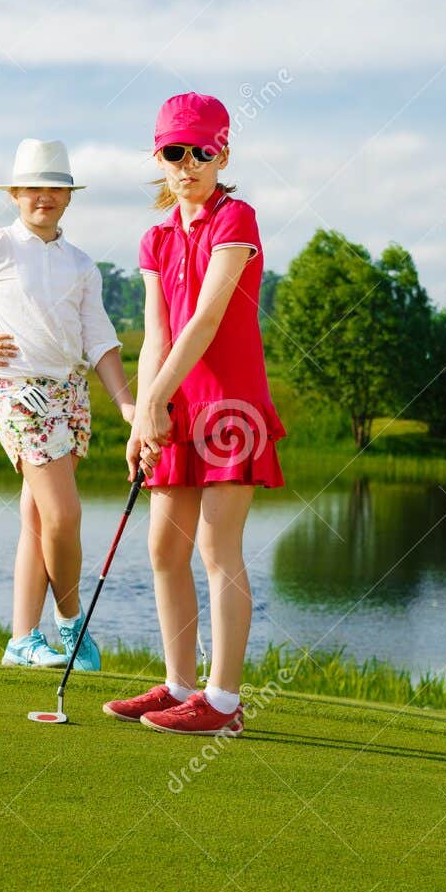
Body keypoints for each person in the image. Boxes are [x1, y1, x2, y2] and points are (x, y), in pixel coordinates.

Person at [0, 139, 135, 670]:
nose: (45, 197)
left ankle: (21, 640)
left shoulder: (82, 265)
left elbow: (99, 336)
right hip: (18, 392)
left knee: (39, 519)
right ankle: (72, 625)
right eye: (34, 188)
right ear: (14, 193)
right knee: (65, 512)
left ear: (69, 197)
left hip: (71, 394)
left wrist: (126, 404)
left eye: (55, 188)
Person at [104, 93, 286, 735]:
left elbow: (207, 319)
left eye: (202, 151)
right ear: (159, 157)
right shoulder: (155, 238)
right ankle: (179, 684)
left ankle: (224, 704)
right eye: (175, 152)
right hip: (173, 406)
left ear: (222, 153)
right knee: (163, 547)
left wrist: (154, 400)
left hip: (229, 404)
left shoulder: (237, 219)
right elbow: (156, 334)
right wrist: (142, 416)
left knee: (216, 545)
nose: (188, 164)